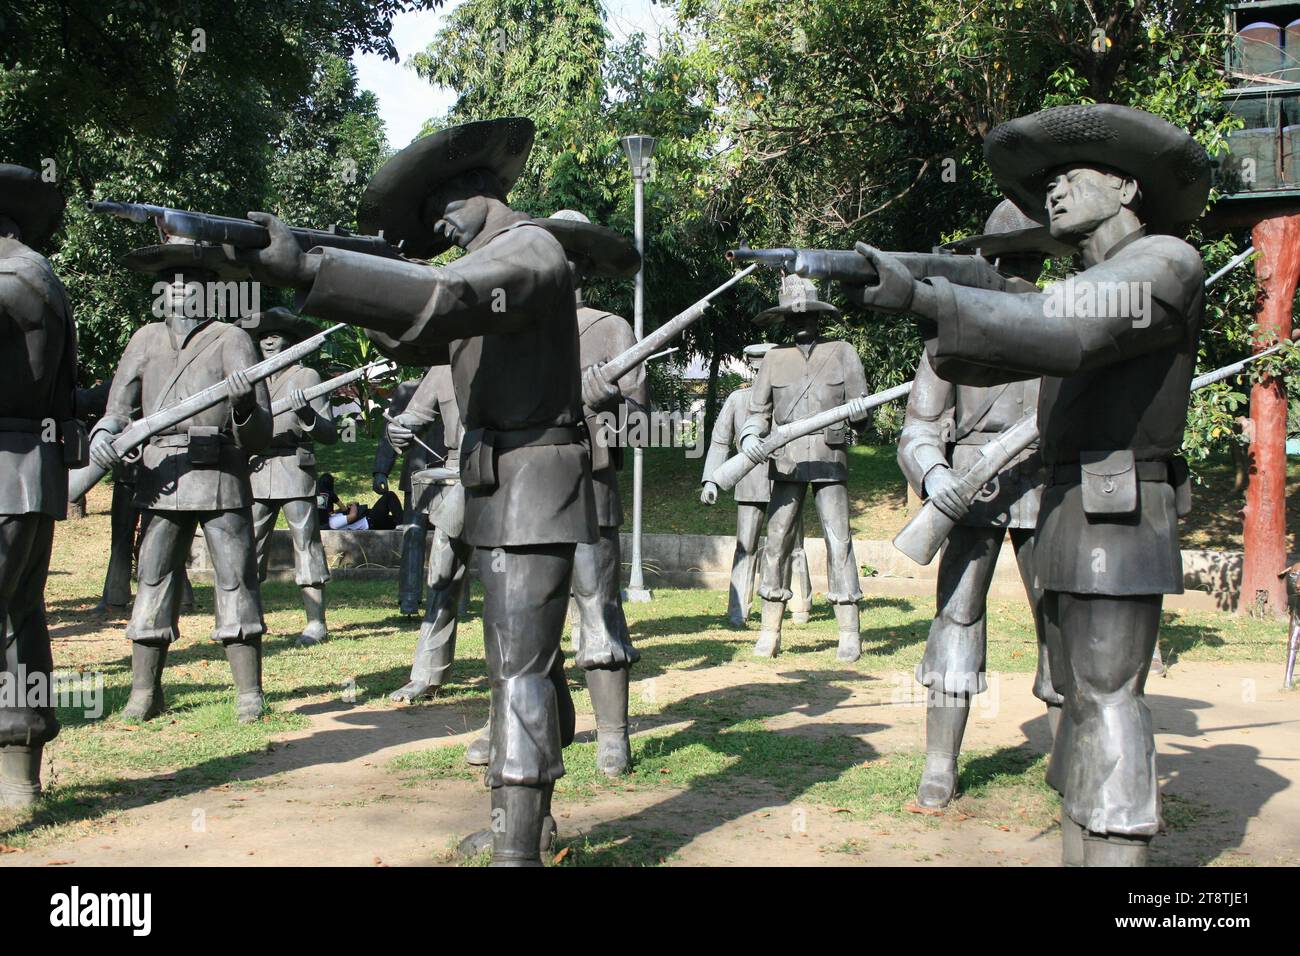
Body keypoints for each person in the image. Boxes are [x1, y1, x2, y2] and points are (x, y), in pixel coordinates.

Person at [848, 103, 1210, 865]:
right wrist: (919, 289)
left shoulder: (1165, 263)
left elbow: (1066, 328)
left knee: (1105, 700)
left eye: (1073, 175)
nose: (1053, 190)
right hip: (1072, 508)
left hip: (1113, 508)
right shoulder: (1086, 282)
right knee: (1085, 703)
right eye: (1046, 181)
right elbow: (989, 359)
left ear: (1125, 186)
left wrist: (927, 295)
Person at [241, 116, 592, 866]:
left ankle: (518, 851)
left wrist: (311, 267)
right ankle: (526, 825)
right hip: (502, 481)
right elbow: (422, 328)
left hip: (533, 480)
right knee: (527, 662)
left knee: (518, 667)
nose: (436, 223)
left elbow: (447, 296)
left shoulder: (528, 250)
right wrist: (331, 274)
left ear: (480, 192)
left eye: (442, 206)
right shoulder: (492, 268)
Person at [897, 200, 1072, 808]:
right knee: (957, 617)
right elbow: (919, 425)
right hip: (972, 489)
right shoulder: (956, 326)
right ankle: (940, 765)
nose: (1020, 271)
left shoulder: (1072, 316)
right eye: (1014, 260)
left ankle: (1071, 756)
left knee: (1060, 621)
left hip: (1050, 487)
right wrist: (936, 471)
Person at [89, 239, 273, 724]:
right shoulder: (143, 340)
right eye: (170, 284)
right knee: (152, 576)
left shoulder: (233, 338)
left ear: (211, 292)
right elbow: (116, 410)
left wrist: (244, 405)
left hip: (219, 473)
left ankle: (248, 693)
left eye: (190, 284)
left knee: (236, 577)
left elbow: (261, 429)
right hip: (162, 476)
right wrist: (105, 436)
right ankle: (144, 692)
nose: (179, 292)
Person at [0, 164, 82, 805]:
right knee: (19, 620)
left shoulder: (10, 278)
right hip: (29, 468)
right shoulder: (38, 274)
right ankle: (19, 779)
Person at [739, 277, 871, 662]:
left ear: (819, 316)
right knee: (776, 541)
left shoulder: (843, 352)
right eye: (793, 316)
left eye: (810, 315)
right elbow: (757, 413)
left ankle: (849, 630)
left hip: (830, 462)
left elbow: (862, 418)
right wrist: (750, 436)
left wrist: (861, 414)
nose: (802, 322)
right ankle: (769, 630)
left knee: (840, 541)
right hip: (786, 462)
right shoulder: (775, 359)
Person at [242, 308, 337, 647]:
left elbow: (330, 433)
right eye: (263, 334)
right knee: (249, 546)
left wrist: (308, 415)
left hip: (295, 469)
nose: (268, 339)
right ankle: (248, 617)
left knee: (306, 543)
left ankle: (316, 622)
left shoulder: (306, 376)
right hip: (256, 470)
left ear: (292, 340)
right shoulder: (250, 378)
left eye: (276, 334)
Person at [700, 343, 813, 627]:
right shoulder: (738, 400)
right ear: (752, 368)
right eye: (758, 366)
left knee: (794, 545)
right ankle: (739, 609)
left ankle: (801, 605)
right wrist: (711, 480)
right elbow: (719, 441)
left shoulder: (793, 400)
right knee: (745, 547)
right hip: (749, 483)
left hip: (787, 482)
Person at [387, 363, 470, 703]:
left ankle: (531, 673)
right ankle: (427, 674)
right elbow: (411, 417)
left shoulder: (519, 349)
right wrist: (399, 431)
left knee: (519, 584)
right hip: (458, 474)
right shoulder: (444, 366)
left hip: (513, 472)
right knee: (441, 577)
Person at [373, 379, 441, 614]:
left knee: (455, 538)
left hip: (452, 473)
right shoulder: (408, 390)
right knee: (413, 534)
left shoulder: (461, 381)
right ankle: (409, 598)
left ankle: (454, 599)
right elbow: (390, 431)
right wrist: (381, 469)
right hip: (416, 471)